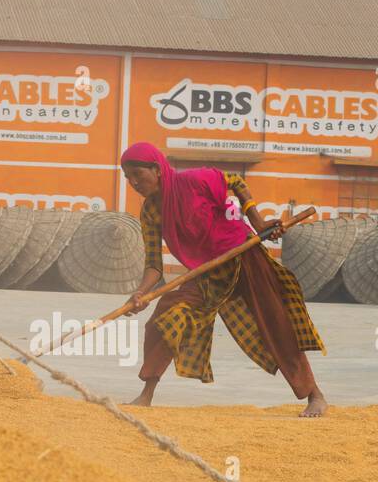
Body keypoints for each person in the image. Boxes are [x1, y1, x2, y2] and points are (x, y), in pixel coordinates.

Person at [119, 142, 328, 417]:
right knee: (167, 316)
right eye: (128, 177)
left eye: (138, 174)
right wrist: (141, 293)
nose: (134, 183)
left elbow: (236, 181)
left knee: (275, 321)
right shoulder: (150, 212)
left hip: (244, 255)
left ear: (157, 169)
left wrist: (258, 222)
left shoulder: (196, 180)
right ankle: (146, 394)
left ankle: (315, 395)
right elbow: (154, 264)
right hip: (207, 271)